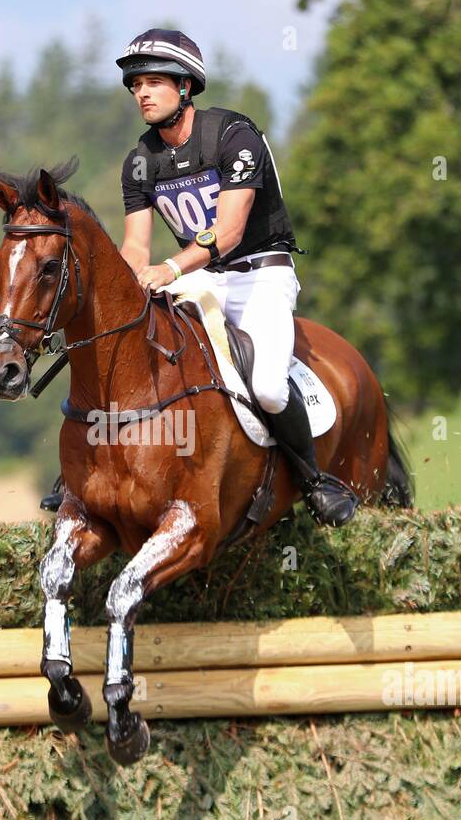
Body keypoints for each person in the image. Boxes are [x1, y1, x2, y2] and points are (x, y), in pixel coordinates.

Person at [39, 28, 359, 526]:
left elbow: (228, 233)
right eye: (134, 85)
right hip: (200, 277)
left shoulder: (234, 136)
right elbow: (136, 246)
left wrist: (167, 270)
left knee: (270, 387)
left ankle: (314, 479)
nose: (140, 93)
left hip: (260, 275)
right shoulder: (141, 162)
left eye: (151, 82)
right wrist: (118, 287)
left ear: (185, 86)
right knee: (129, 341)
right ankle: (80, 475)